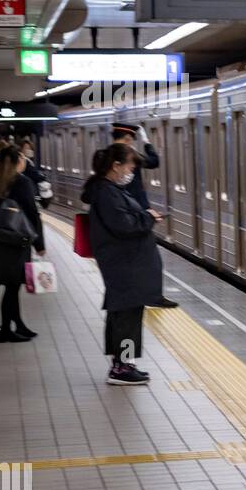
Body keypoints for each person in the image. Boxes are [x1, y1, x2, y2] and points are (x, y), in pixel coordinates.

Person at [81, 142, 164, 386]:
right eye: (129, 165)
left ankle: (122, 363)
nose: (131, 171)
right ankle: (121, 367)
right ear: (116, 166)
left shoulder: (107, 189)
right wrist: (147, 218)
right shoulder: (107, 192)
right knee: (127, 316)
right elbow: (124, 226)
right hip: (124, 264)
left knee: (123, 314)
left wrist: (144, 217)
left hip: (123, 263)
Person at [108, 123, 178, 308]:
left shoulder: (107, 155)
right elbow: (154, 161)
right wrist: (147, 142)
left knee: (139, 258)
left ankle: (144, 294)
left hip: (129, 213)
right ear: (128, 139)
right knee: (150, 258)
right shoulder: (128, 155)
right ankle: (152, 297)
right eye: (130, 140)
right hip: (136, 213)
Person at [0, 144, 45, 342]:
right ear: (19, 161)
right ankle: (6, 331)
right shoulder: (22, 182)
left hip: (0, 241)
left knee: (11, 286)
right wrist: (39, 243)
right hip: (18, 240)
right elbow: (31, 213)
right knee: (12, 288)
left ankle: (17, 324)